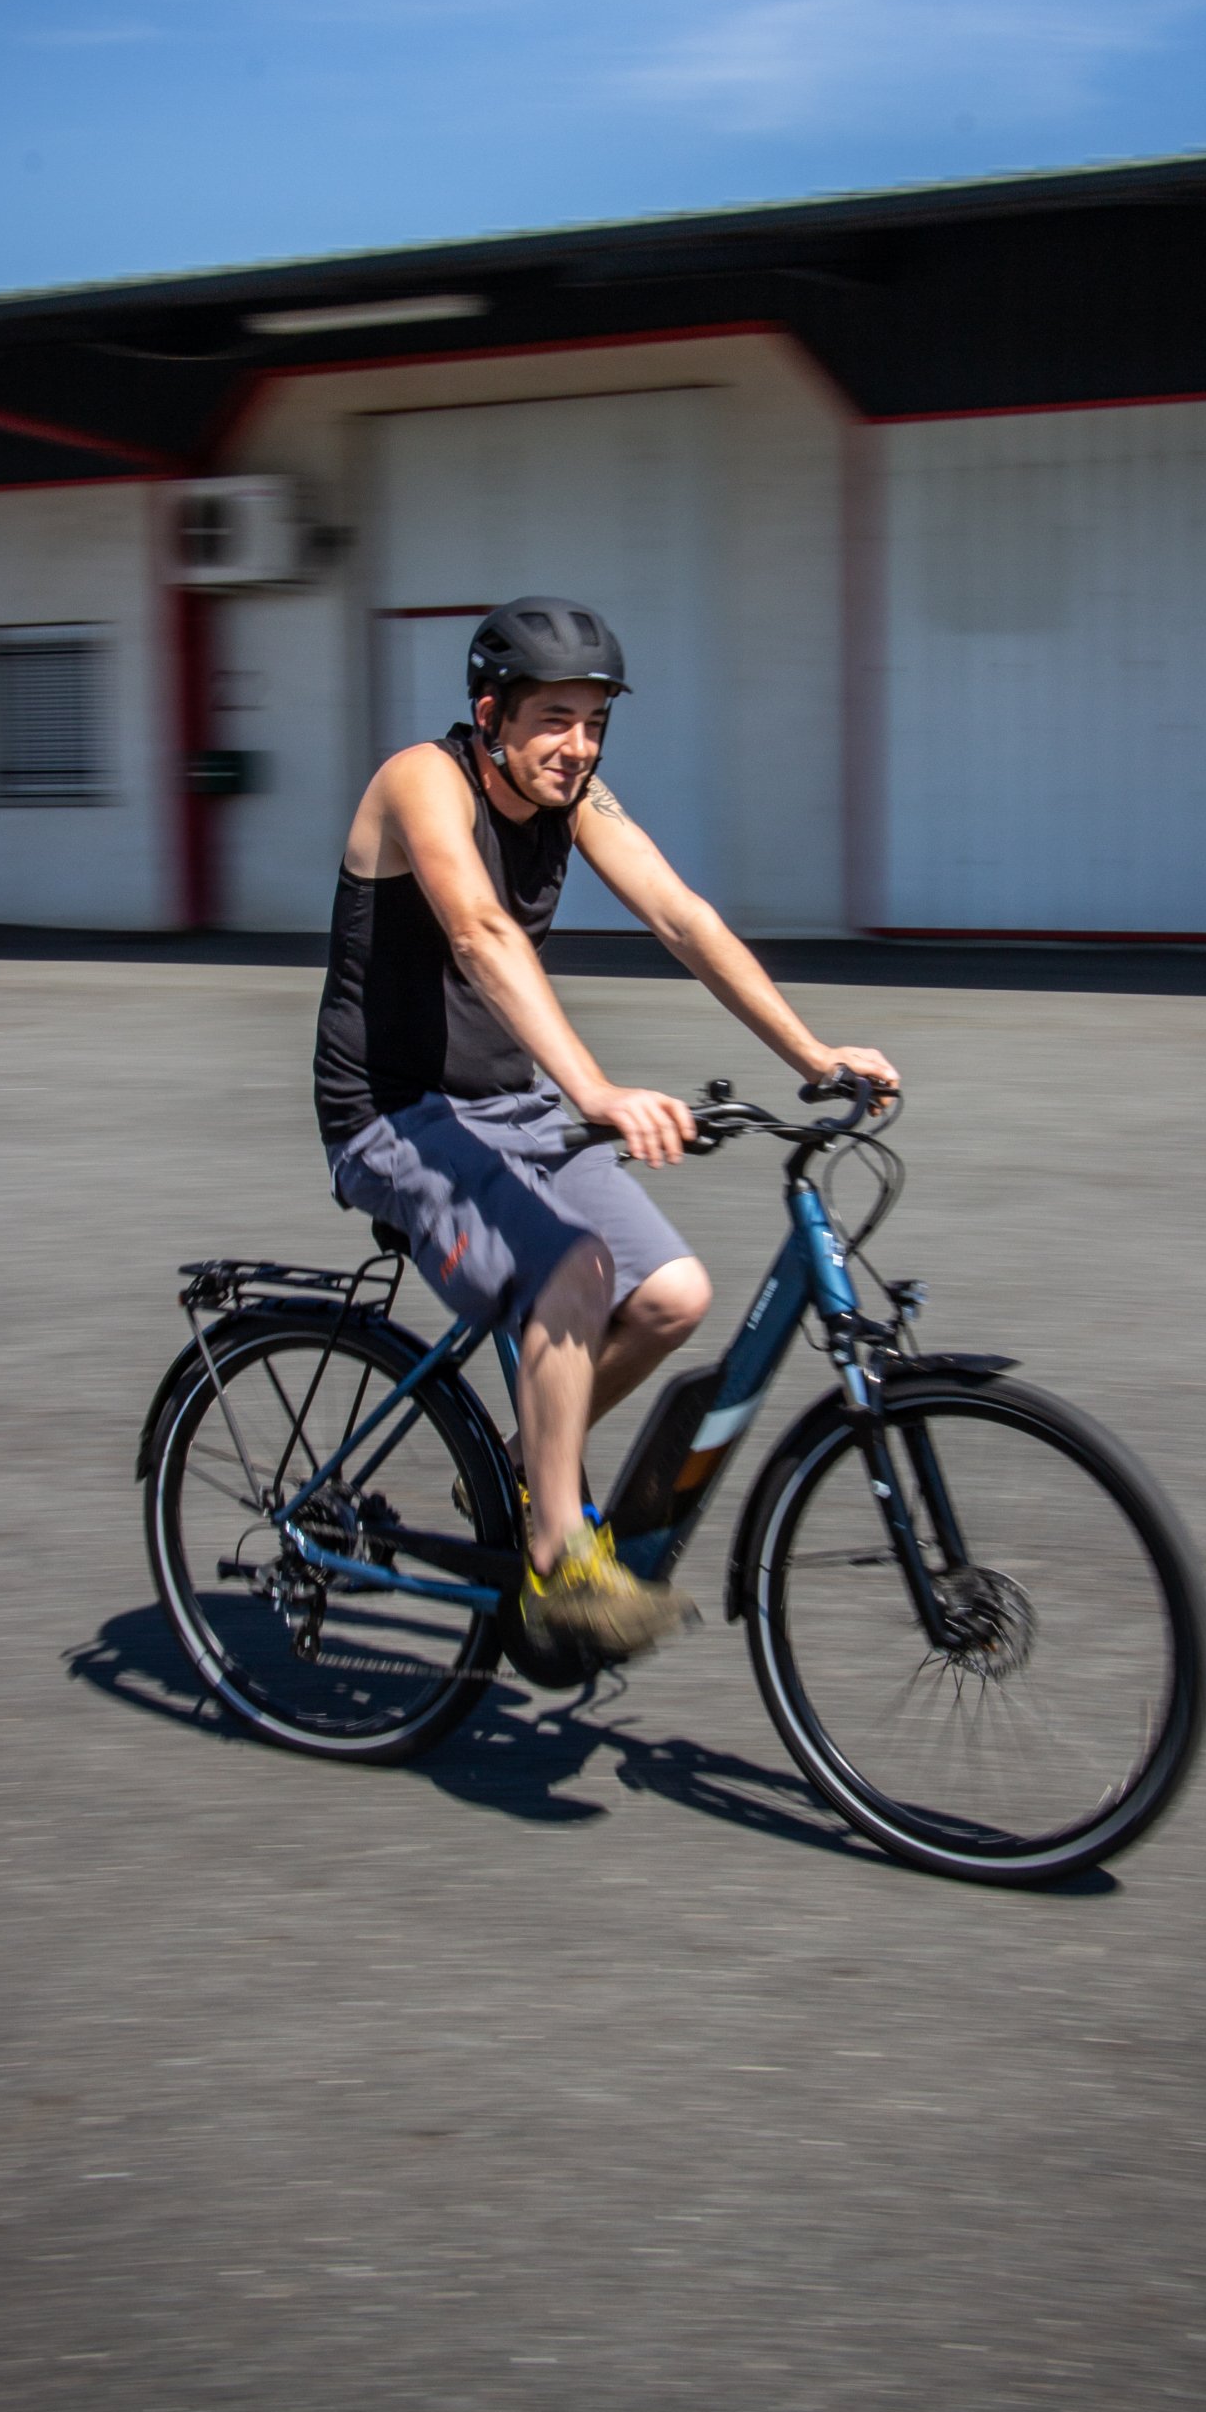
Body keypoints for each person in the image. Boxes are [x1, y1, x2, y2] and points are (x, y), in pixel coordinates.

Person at [314, 596, 898, 1660]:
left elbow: (681, 916)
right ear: (491, 712)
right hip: (393, 1114)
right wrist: (594, 1089)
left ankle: (519, 1463)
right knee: (577, 1271)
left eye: (594, 722)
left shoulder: (578, 800)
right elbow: (484, 932)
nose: (577, 747)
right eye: (553, 719)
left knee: (674, 1296)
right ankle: (558, 1561)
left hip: (505, 1107)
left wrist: (814, 1056)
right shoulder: (420, 781)